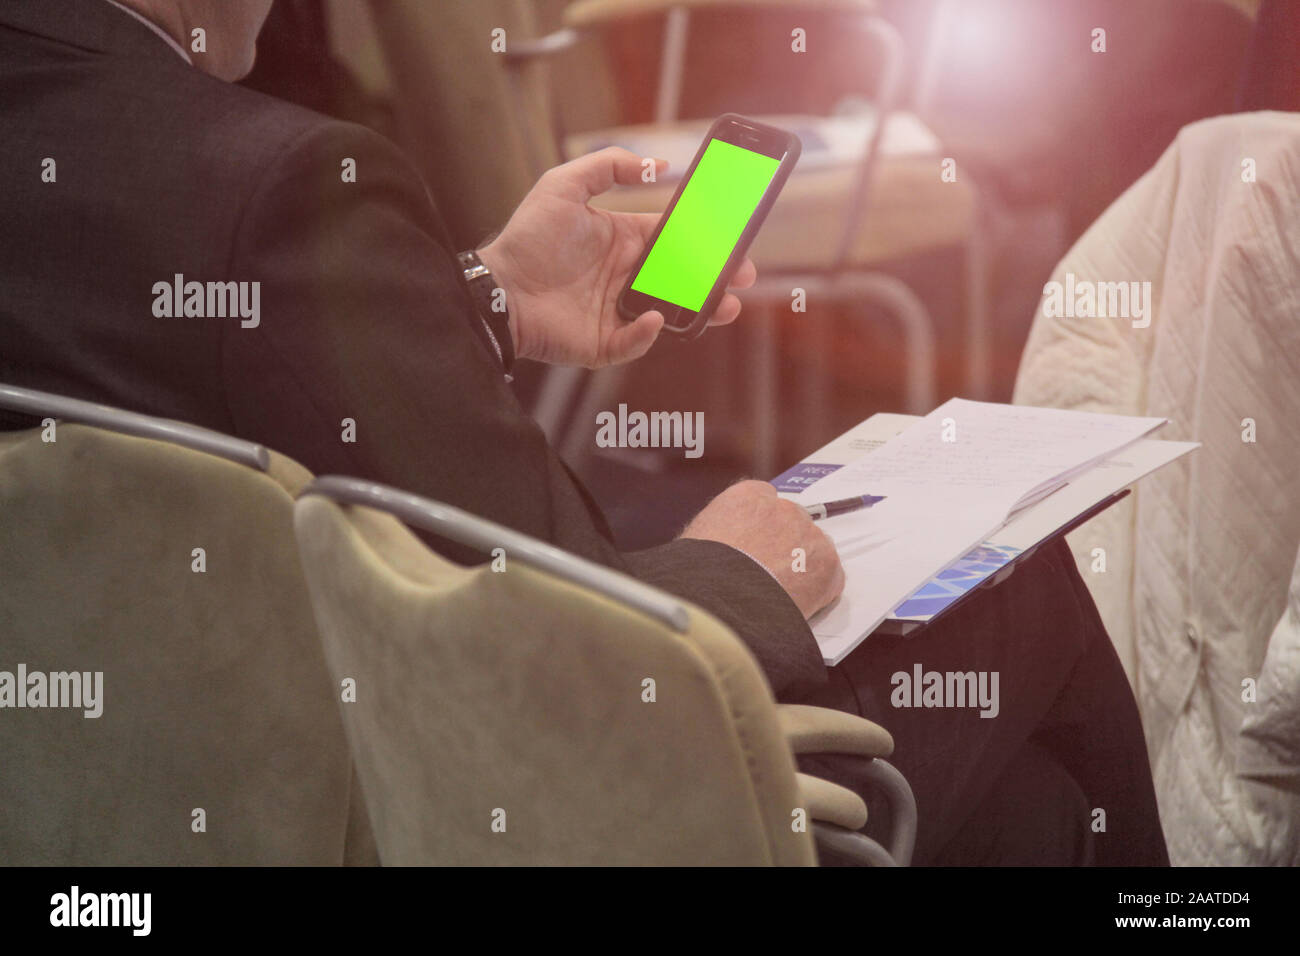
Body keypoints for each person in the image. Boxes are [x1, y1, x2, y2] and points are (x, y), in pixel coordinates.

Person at [0, 0, 1168, 865]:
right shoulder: (279, 181)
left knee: (1028, 820)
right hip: (476, 809)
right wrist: (737, 570)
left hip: (127, 799)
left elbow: (229, 371)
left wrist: (481, 297)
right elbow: (553, 647)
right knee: (1019, 582)